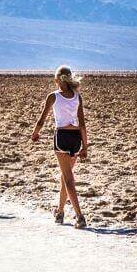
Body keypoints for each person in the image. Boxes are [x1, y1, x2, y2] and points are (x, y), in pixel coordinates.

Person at [31, 65, 88, 228]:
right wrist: (85, 146)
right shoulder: (77, 96)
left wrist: (35, 134)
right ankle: (60, 212)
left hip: (62, 137)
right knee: (65, 176)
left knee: (68, 179)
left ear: (56, 80)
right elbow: (82, 124)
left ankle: (79, 216)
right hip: (76, 138)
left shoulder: (53, 96)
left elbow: (42, 120)